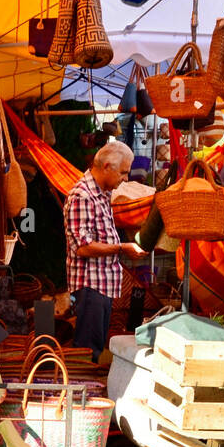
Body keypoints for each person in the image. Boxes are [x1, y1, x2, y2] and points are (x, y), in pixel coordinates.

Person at [64, 141, 147, 360]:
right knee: (88, 350)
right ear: (107, 166)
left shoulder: (102, 193)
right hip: (90, 285)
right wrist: (121, 247)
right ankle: (84, 391)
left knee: (96, 347)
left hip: (102, 284)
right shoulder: (82, 196)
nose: (125, 179)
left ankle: (88, 390)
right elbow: (83, 247)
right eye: (123, 172)